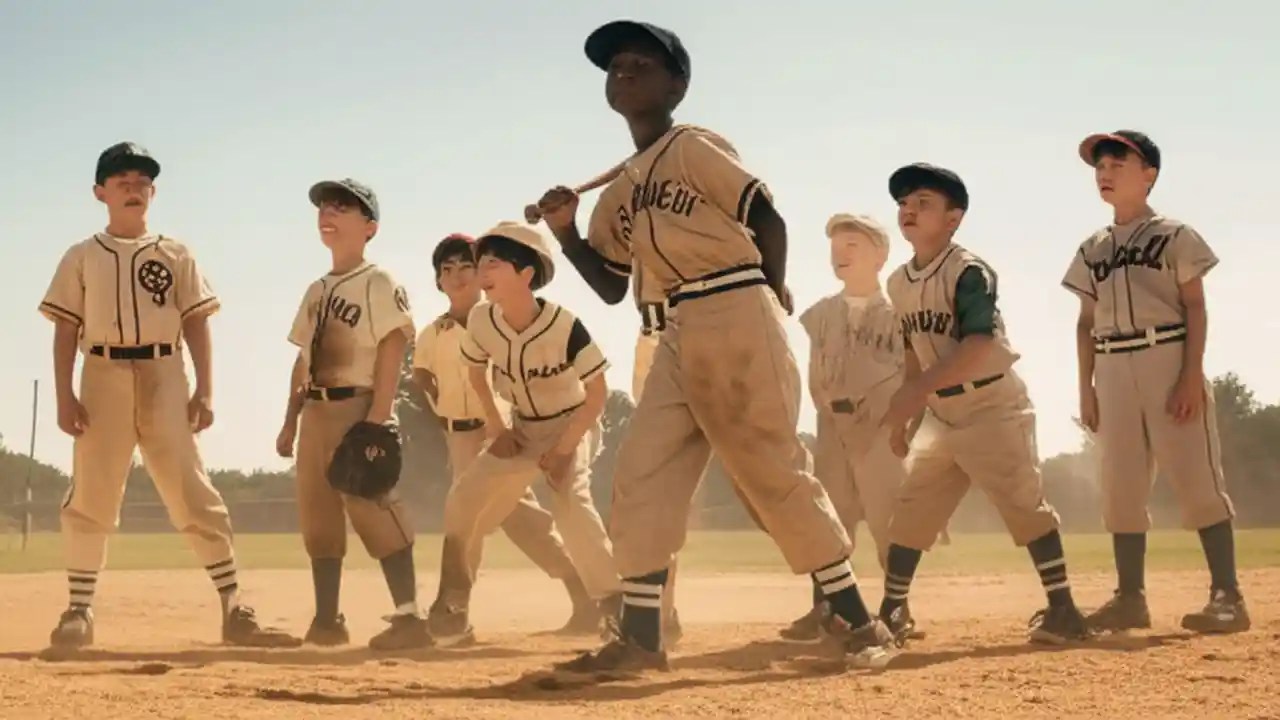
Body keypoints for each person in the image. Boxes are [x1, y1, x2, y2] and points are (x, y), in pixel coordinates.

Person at [533, 20, 896, 673]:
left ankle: (857, 623)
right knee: (643, 474)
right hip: (671, 329)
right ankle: (641, 639)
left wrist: (774, 288)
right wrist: (564, 233)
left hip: (732, 304)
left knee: (770, 468)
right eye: (615, 66)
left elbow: (766, 214)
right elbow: (611, 287)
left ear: (678, 83)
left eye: (642, 63)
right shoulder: (619, 191)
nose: (625, 73)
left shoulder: (694, 146)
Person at [39, 142, 297, 649]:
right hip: (102, 370)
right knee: (92, 490)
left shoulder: (176, 252)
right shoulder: (82, 255)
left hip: (164, 369)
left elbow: (196, 321)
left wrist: (205, 388)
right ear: (100, 193)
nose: (133, 188)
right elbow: (65, 329)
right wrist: (64, 396)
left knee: (190, 486)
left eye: (141, 181)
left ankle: (233, 606)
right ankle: (79, 610)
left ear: (153, 191)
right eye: (121, 181)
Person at [877, 162, 1092, 645]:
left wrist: (914, 392)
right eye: (904, 204)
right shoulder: (897, 282)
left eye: (924, 203)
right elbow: (914, 352)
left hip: (992, 404)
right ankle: (893, 610)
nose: (909, 210)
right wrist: (910, 411)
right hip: (941, 411)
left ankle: (1064, 611)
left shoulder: (968, 271)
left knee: (1023, 504)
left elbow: (977, 346)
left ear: (954, 219)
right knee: (911, 510)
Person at [1063, 130, 1248, 633]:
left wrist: (1191, 375)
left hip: (1166, 354)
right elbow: (1084, 322)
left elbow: (1194, 306)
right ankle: (1129, 598)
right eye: (1099, 165)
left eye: (1118, 161)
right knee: (1120, 488)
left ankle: (1228, 595)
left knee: (1196, 479)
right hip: (1113, 364)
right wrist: (1087, 387)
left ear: (1149, 174)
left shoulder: (1174, 234)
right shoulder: (1092, 247)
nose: (1105, 171)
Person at [427, 221, 623, 646]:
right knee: (463, 499)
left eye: (494, 262)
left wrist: (565, 449)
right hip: (520, 429)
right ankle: (453, 602)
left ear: (527, 274)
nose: (483, 270)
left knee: (571, 502)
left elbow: (597, 394)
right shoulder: (482, 319)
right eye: (482, 262)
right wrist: (496, 426)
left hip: (571, 423)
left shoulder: (564, 325)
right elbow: (476, 372)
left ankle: (613, 605)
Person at [275, 177, 432, 650]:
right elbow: (303, 359)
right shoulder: (317, 289)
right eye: (324, 206)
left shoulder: (378, 280)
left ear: (370, 227)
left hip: (359, 404)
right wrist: (289, 419)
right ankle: (328, 621)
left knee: (372, 507)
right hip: (316, 412)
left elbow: (394, 343)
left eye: (343, 206)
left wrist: (379, 416)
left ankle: (410, 619)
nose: (329, 212)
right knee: (317, 517)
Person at [779, 213, 919, 643]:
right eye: (835, 247)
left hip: (881, 427)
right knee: (829, 519)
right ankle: (825, 608)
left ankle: (897, 609)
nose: (840, 254)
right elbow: (812, 371)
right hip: (832, 427)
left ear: (880, 255)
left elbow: (914, 373)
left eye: (852, 245)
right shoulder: (821, 314)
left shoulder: (902, 311)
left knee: (888, 520)